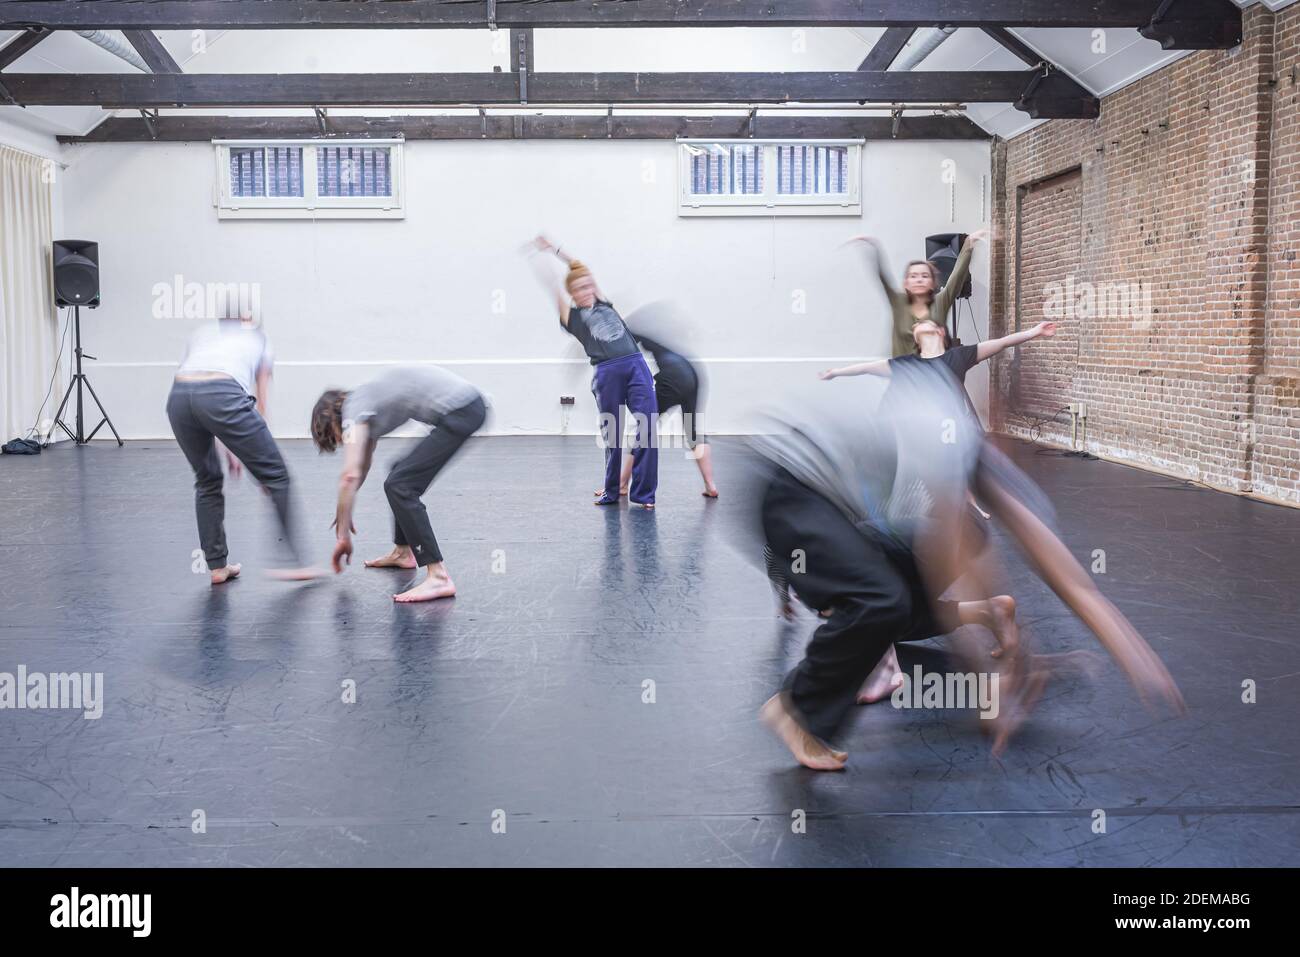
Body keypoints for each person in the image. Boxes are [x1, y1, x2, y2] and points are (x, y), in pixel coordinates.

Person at [741, 370, 1183, 771]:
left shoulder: (975, 454)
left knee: (906, 591)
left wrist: (1133, 652)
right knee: (882, 598)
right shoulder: (944, 438)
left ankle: (980, 612)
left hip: (847, 514)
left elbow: (1068, 578)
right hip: (790, 490)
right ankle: (794, 708)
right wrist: (997, 681)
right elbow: (950, 564)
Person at [166, 307, 319, 584]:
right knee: (276, 475)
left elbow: (197, 394)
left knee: (207, 480)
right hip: (222, 395)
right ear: (248, 321)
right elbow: (259, 400)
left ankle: (217, 567)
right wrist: (257, 453)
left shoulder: (203, 334)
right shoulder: (259, 339)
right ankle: (296, 563)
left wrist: (234, 446)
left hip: (178, 399)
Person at [310, 365, 486, 603]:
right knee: (397, 474)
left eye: (335, 435)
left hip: (462, 411)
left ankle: (439, 576)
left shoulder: (354, 409)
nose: (340, 440)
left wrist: (343, 533)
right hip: (466, 408)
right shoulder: (365, 407)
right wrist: (345, 511)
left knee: (401, 485)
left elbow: (349, 475)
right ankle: (403, 552)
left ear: (332, 414)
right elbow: (360, 470)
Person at [526, 235, 658, 508]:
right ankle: (612, 491)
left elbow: (580, 266)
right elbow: (554, 286)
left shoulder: (604, 304)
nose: (587, 291)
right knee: (613, 433)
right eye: (580, 289)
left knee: (647, 425)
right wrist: (543, 260)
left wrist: (556, 250)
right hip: (606, 373)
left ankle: (644, 494)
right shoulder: (571, 317)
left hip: (635, 365)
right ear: (573, 294)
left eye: (589, 286)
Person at [608, 303, 718, 499]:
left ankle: (622, 485)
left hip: (672, 378)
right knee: (693, 433)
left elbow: (624, 346)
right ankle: (710, 486)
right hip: (693, 373)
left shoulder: (635, 335)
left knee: (644, 428)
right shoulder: (662, 341)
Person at [849, 229, 989, 358]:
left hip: (934, 373)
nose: (919, 280)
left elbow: (957, 277)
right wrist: (873, 249)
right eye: (913, 276)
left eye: (924, 276)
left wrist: (969, 243)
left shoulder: (940, 302)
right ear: (906, 283)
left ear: (933, 283)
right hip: (904, 375)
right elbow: (883, 278)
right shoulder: (898, 302)